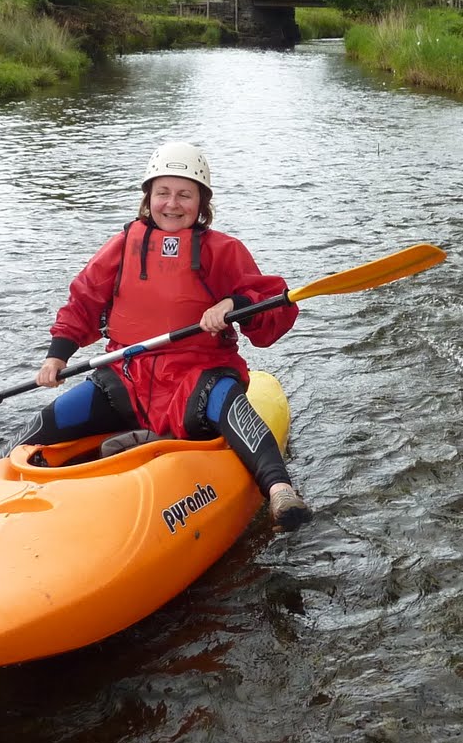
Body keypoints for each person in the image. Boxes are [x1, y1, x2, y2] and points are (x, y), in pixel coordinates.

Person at [20, 141, 312, 532]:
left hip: (197, 375)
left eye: (184, 194)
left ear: (201, 203)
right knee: (48, 421)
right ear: (148, 197)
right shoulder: (122, 245)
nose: (172, 204)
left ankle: (280, 490)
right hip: (125, 377)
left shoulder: (222, 250)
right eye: (163, 193)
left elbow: (272, 303)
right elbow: (84, 298)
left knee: (227, 404)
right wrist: (57, 355)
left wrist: (233, 303)